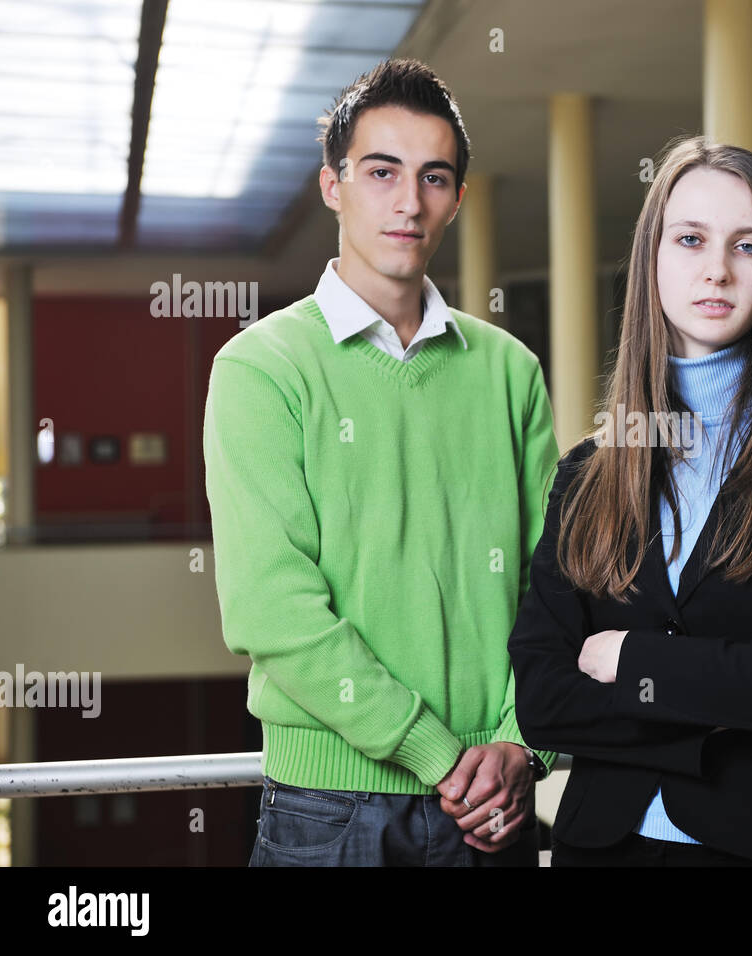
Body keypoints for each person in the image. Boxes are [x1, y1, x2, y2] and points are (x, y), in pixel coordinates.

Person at [202, 58, 559, 866]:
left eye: (435, 177)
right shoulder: (262, 368)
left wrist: (518, 743)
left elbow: (558, 581)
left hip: (493, 803)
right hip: (328, 813)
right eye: (381, 172)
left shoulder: (509, 371)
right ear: (333, 185)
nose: (409, 201)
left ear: (459, 198)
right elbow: (271, 610)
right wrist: (442, 756)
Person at [508, 135, 752, 866]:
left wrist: (625, 656)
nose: (717, 269)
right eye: (690, 240)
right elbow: (543, 700)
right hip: (606, 847)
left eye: (748, 247)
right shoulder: (589, 471)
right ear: (652, 258)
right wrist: (749, 674)